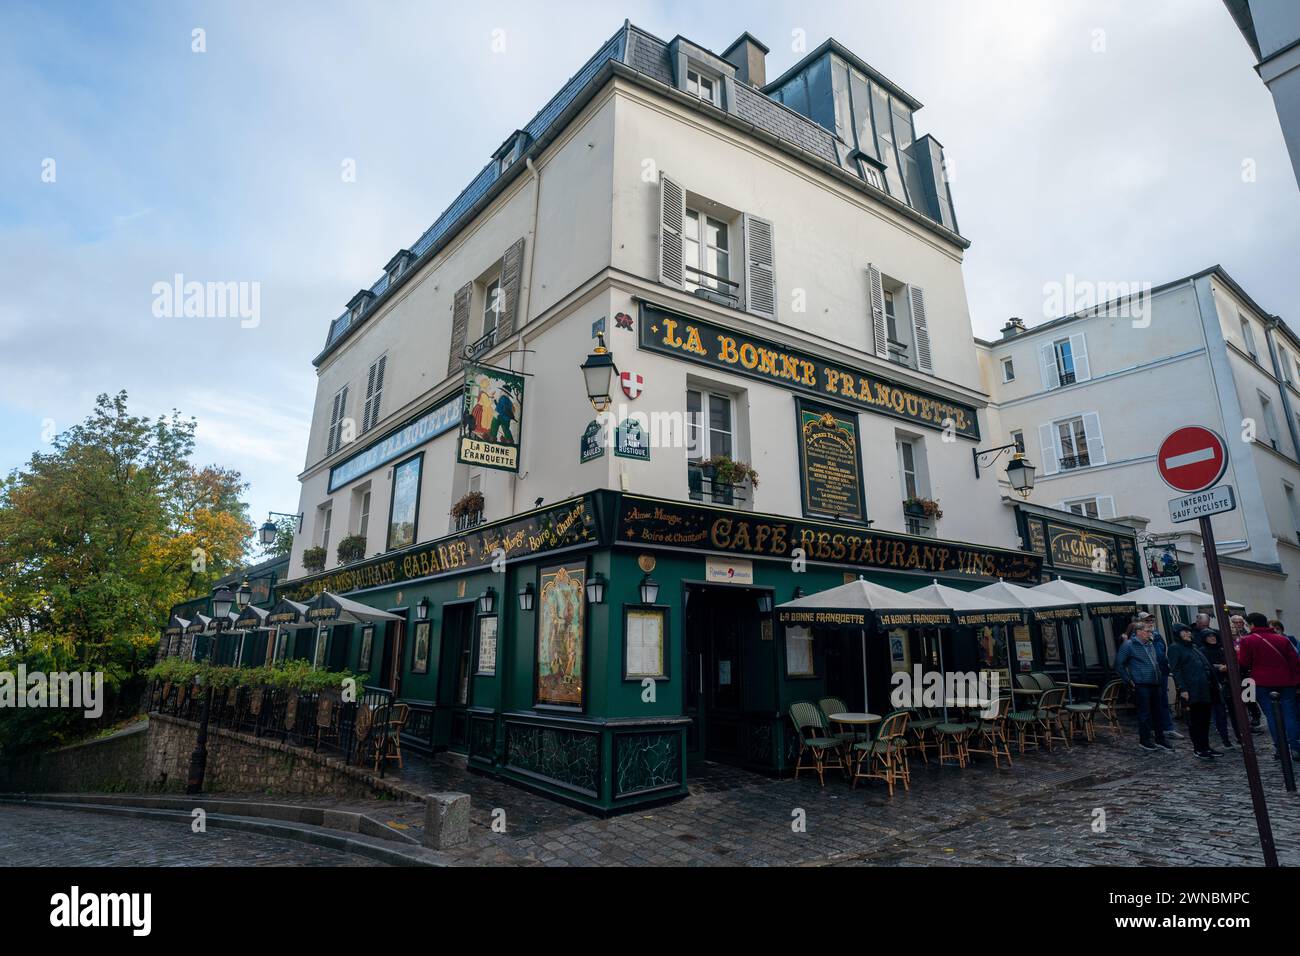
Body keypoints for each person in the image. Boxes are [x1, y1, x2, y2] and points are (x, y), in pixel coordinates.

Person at [1237, 612, 1300, 761]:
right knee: (1290, 715)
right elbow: (1295, 663)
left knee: (1272, 716)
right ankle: (1296, 747)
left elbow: (1244, 663)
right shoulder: (1282, 640)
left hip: (1262, 683)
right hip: (1286, 682)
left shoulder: (1248, 640)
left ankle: (1280, 748)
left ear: (1252, 624)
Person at [1115, 622, 1175, 752]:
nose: (1150, 633)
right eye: (1148, 631)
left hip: (1155, 682)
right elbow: (1119, 664)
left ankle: (1160, 739)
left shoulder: (1150, 644)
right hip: (1141, 684)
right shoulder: (1129, 645)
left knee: (1158, 712)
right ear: (1139, 632)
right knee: (1145, 713)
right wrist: (1129, 680)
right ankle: (1145, 740)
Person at [1167, 624, 1222, 760]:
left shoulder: (1194, 647)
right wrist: (1183, 689)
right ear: (1178, 634)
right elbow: (1176, 670)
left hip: (1204, 688)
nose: (1187, 634)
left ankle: (1206, 746)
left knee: (1204, 719)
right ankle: (1199, 748)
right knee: (1195, 720)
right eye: (1183, 632)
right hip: (1192, 689)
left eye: (1188, 631)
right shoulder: (1175, 648)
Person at [1197, 628, 1240, 748]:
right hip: (1215, 685)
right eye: (1209, 636)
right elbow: (1205, 666)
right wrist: (1217, 668)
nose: (1212, 638)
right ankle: (1225, 739)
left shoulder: (1222, 649)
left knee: (1235, 712)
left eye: (1213, 636)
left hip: (1228, 683)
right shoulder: (1202, 651)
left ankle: (1239, 736)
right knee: (1220, 714)